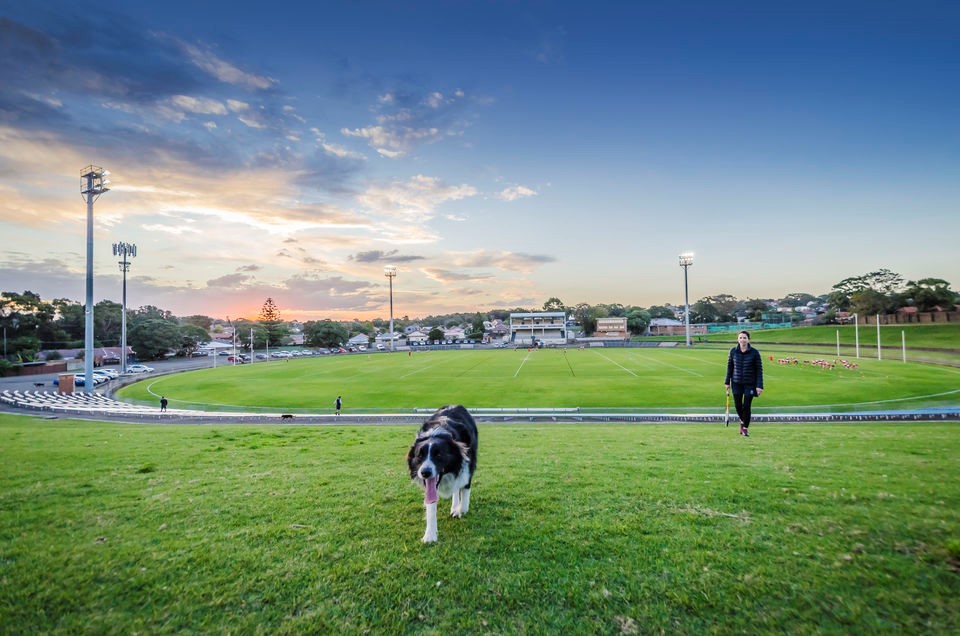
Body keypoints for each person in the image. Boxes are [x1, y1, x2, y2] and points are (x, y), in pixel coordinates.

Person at [724, 330, 763, 436]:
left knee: (746, 406)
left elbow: (759, 370)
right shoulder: (733, 351)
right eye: (740, 338)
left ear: (748, 339)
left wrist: (759, 386)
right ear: (738, 339)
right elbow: (730, 367)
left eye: (744, 338)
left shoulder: (755, 352)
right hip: (736, 383)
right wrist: (727, 382)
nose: (742, 340)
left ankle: (745, 428)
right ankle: (742, 421)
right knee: (738, 406)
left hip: (750, 383)